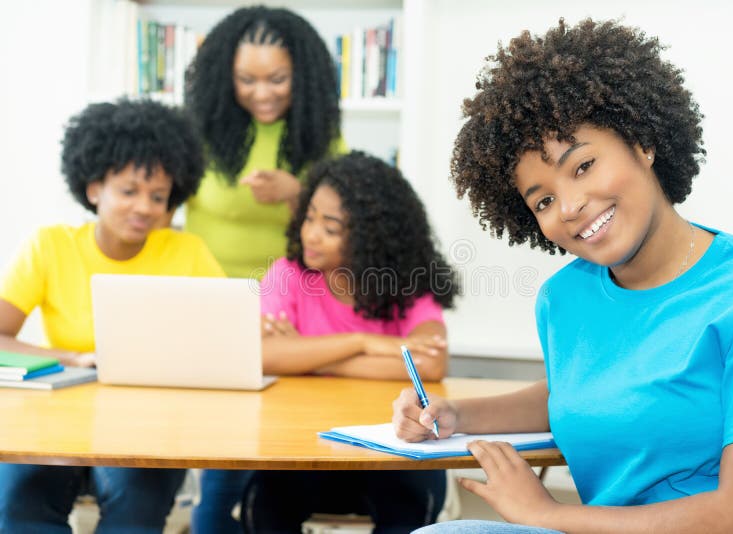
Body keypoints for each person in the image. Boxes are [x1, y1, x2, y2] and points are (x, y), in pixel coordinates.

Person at [392, 18, 733, 534]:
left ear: (643, 142)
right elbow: (585, 390)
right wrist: (453, 414)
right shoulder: (563, 299)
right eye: (541, 199)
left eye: (582, 166)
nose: (570, 206)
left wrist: (551, 516)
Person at [0, 99, 224, 533]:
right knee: (19, 509)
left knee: (135, 517)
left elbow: (225, 340)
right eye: (129, 190)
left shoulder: (188, 253)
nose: (144, 207)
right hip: (57, 416)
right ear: (94, 188)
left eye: (158, 196)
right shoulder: (51, 246)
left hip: (150, 421)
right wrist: (70, 356)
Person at [239, 151, 458, 533]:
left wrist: (307, 355)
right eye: (309, 217)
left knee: (414, 501)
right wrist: (363, 341)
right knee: (263, 505)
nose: (310, 234)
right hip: (301, 447)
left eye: (331, 227)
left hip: (390, 451)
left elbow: (430, 363)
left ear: (371, 237)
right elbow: (260, 355)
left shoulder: (409, 284)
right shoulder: (288, 275)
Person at [183, 5, 345, 280]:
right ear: (225, 77)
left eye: (277, 79)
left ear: (303, 77)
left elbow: (343, 230)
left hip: (292, 298)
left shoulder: (322, 137)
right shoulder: (198, 133)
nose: (262, 94)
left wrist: (297, 194)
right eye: (246, 80)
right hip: (206, 291)